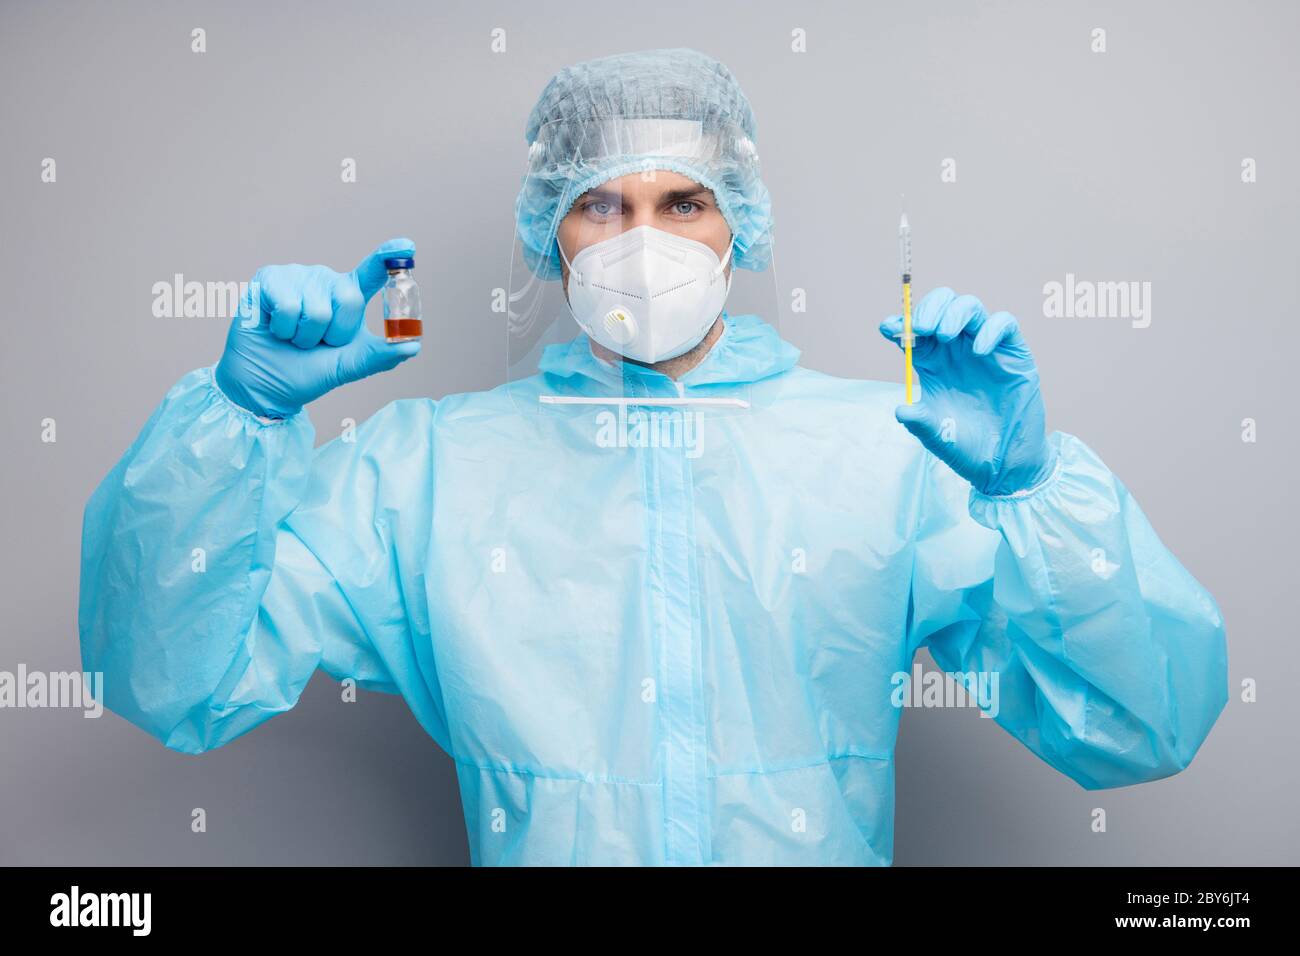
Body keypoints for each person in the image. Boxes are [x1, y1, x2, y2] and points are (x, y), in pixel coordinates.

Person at [79, 48, 1228, 866]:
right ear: (547, 231)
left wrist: (1033, 493)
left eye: (682, 202)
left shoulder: (886, 452)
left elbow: (1139, 727)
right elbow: (173, 680)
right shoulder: (426, 472)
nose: (641, 242)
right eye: (598, 206)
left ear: (741, 223)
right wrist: (234, 423)